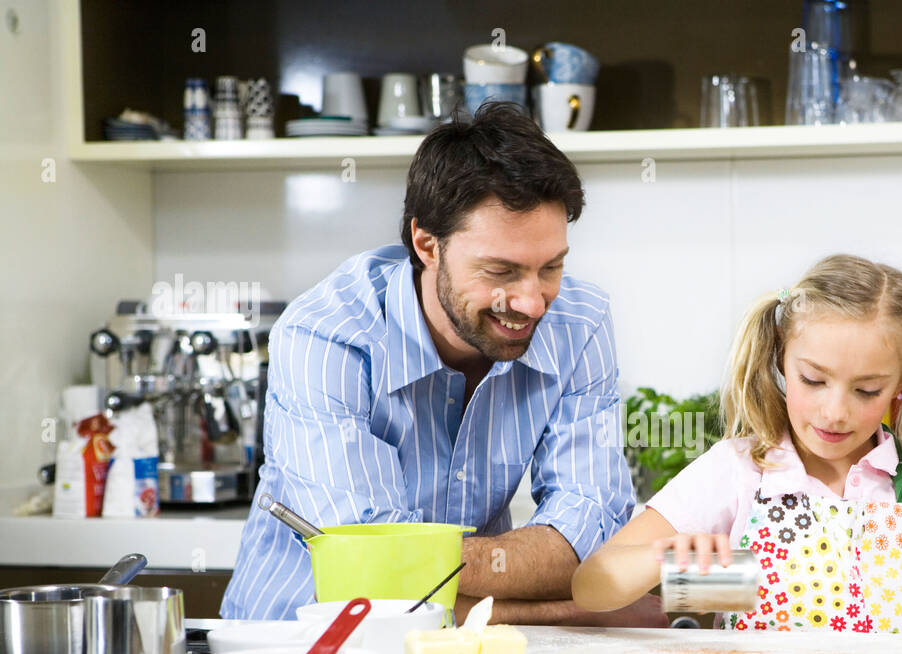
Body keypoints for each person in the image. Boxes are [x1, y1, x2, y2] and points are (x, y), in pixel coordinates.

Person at [222, 103, 665, 627]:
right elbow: (373, 570)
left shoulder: (580, 322)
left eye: (551, 267)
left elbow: (588, 531)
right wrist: (573, 607)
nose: (532, 303)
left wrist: (433, 573)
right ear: (426, 244)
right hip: (296, 653)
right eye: (501, 270)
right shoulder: (324, 335)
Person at [571, 254, 902, 635]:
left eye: (867, 390)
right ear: (781, 354)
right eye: (813, 380)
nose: (835, 411)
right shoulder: (738, 471)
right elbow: (590, 585)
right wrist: (663, 559)